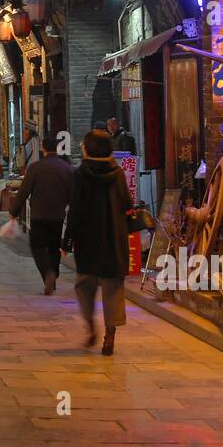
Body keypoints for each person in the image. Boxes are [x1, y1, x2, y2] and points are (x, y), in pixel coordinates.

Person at [63, 128, 151, 355]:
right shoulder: (118, 173)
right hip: (114, 237)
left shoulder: (80, 174)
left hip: (88, 239)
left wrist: (66, 242)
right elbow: (127, 204)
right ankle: (110, 333)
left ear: (90, 149)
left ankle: (91, 325)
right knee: (113, 288)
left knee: (84, 286)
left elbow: (74, 210)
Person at [9, 135, 74, 295]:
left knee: (37, 246)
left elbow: (24, 191)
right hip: (58, 215)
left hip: (39, 214)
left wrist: (14, 211)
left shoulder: (35, 168)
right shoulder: (67, 168)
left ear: (43, 148)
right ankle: (53, 275)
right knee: (54, 246)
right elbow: (73, 194)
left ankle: (47, 274)